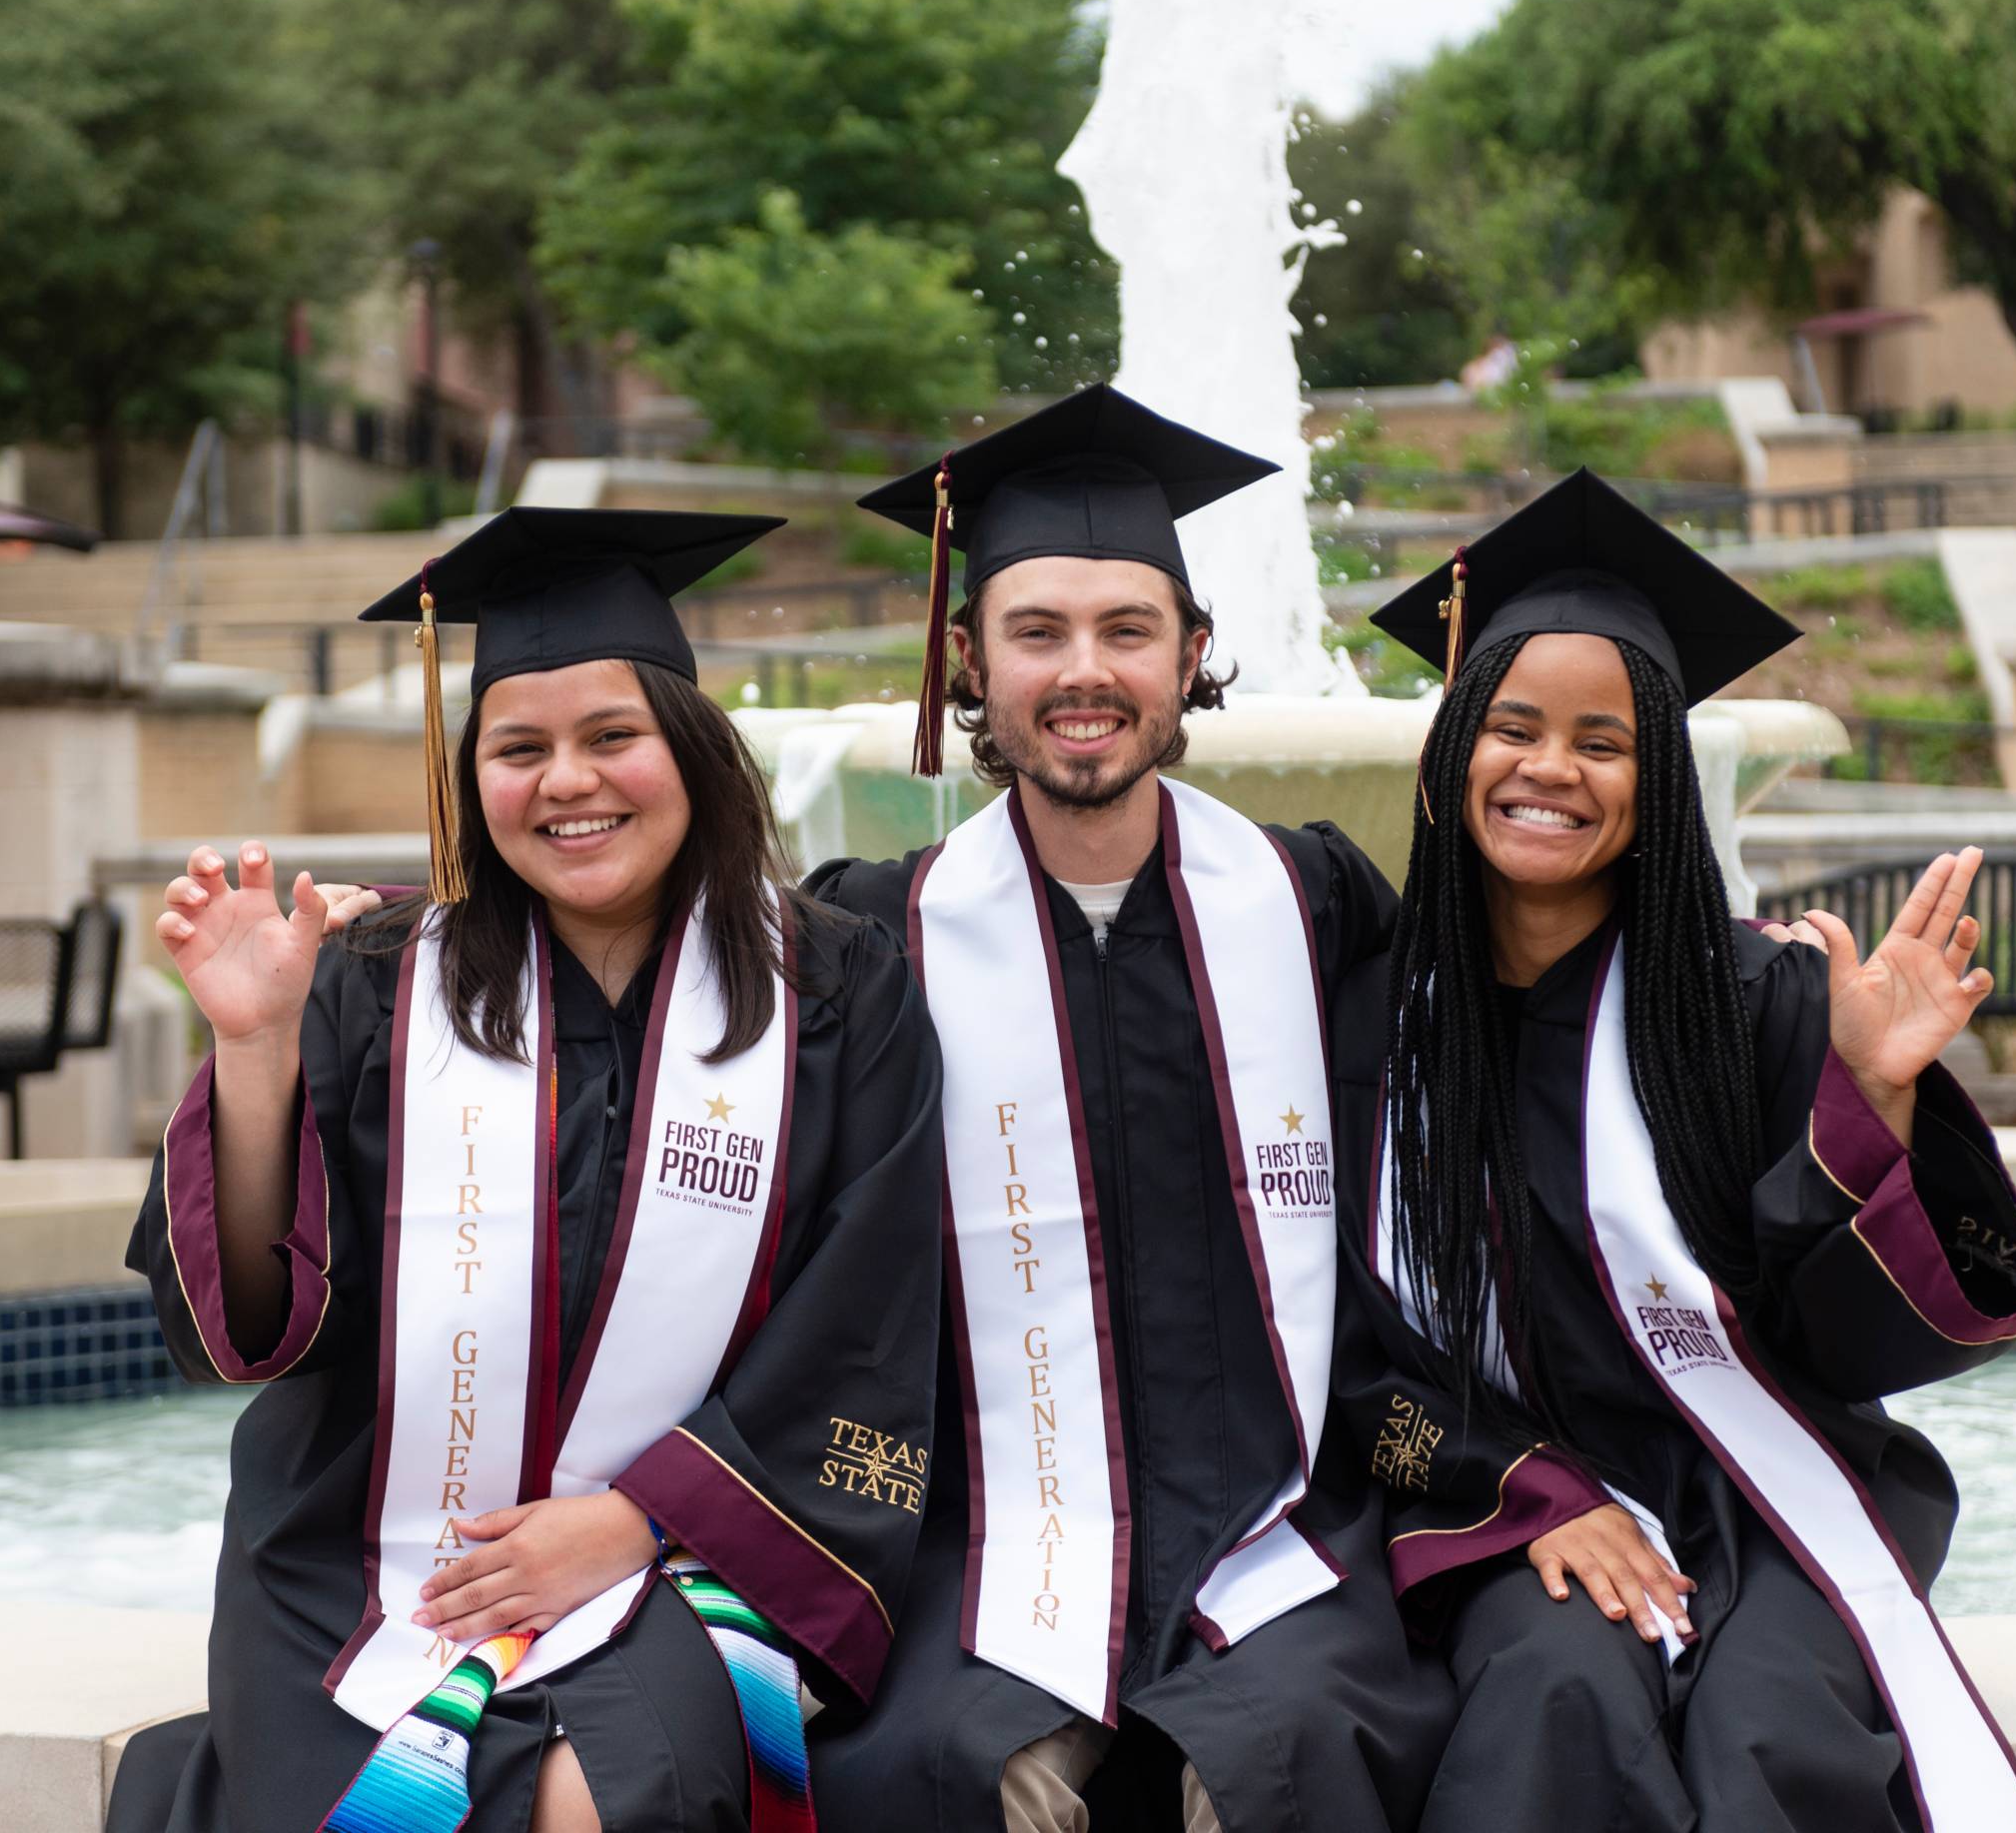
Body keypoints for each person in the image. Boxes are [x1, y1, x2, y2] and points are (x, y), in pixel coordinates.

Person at [108, 508, 947, 1833]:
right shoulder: (378, 983)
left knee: (601, 1798)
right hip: (358, 1560)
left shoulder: (839, 993)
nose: (570, 781)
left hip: (692, 1553)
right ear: (472, 774)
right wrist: (254, 1044)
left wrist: (635, 1522)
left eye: (612, 736)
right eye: (520, 748)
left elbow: (867, 1323)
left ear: (691, 747)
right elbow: (255, 1325)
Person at [1342, 470, 2016, 1833]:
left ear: (1658, 779)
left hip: (1760, 1494)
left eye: (1603, 743)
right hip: (1495, 1500)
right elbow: (1347, 1356)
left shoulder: (1754, 1004)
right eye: (1512, 728)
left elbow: (1849, 1353)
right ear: (1452, 756)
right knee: (1557, 1697)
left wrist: (1873, 1104)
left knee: (1771, 1729)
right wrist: (1523, 1494)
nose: (1551, 769)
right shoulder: (1376, 1022)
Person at [803, 386, 1449, 1833]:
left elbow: (1504, 1059)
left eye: (1127, 630)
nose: (1081, 672)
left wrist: (1766, 1008)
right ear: (968, 660)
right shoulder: (871, 941)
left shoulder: (1314, 900)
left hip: (1280, 1520)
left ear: (1193, 656)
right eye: (1036, 633)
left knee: (1277, 1761)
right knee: (954, 1771)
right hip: (986, 1536)